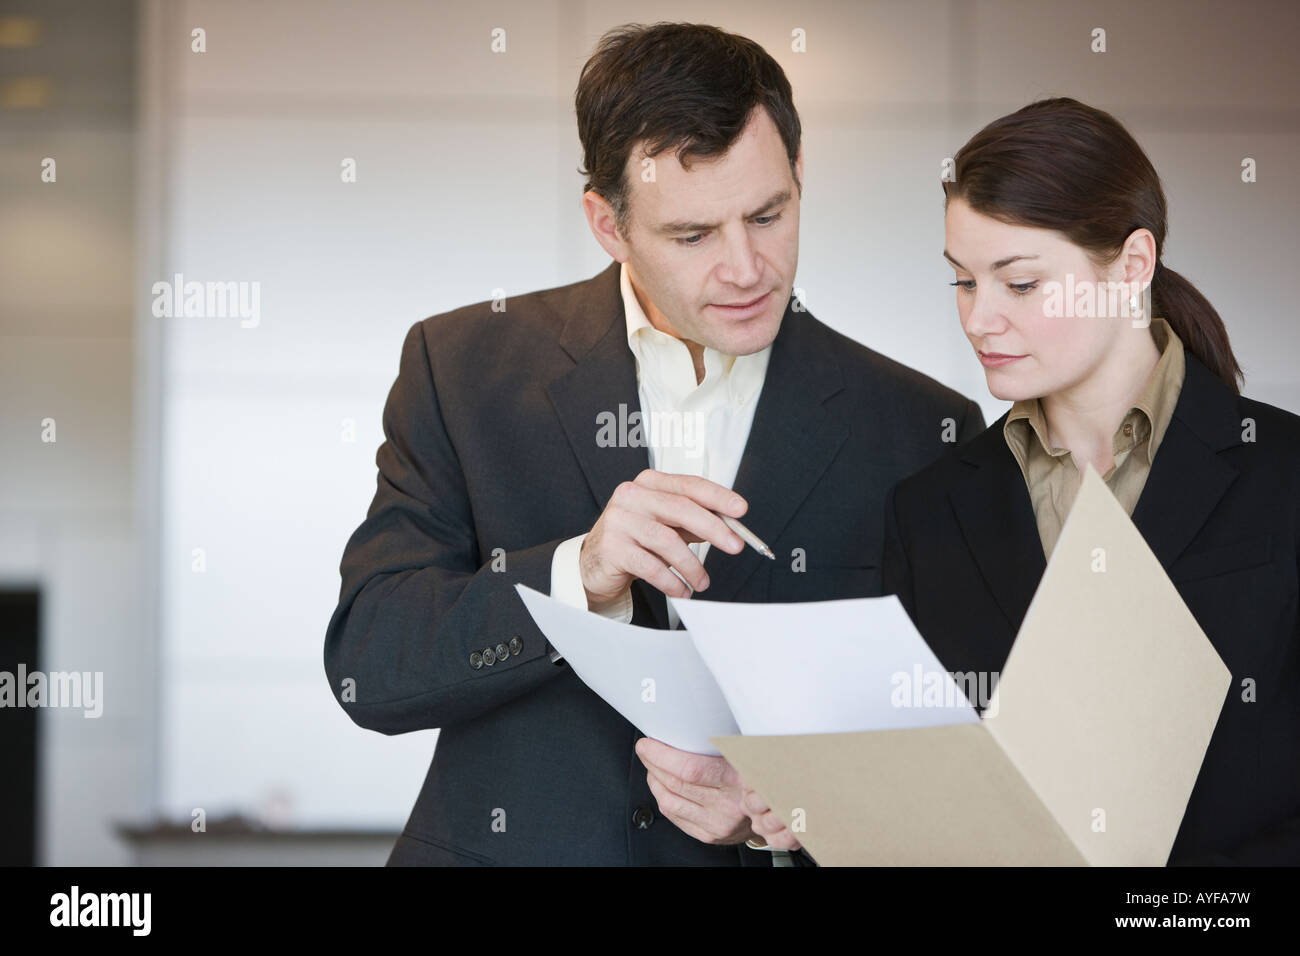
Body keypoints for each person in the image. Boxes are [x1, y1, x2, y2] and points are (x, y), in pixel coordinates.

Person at [323, 22, 985, 866]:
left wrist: (811, 802)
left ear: (800, 173)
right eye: (693, 235)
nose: (748, 268)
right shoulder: (461, 369)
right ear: (608, 222)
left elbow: (952, 756)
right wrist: (576, 574)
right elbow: (371, 666)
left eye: (769, 214)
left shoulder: (921, 429)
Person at [741, 97, 1300, 865]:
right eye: (963, 283)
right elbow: (922, 801)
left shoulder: (1284, 474)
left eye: (1021, 284)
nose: (977, 320)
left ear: (1133, 265)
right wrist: (821, 815)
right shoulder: (931, 507)